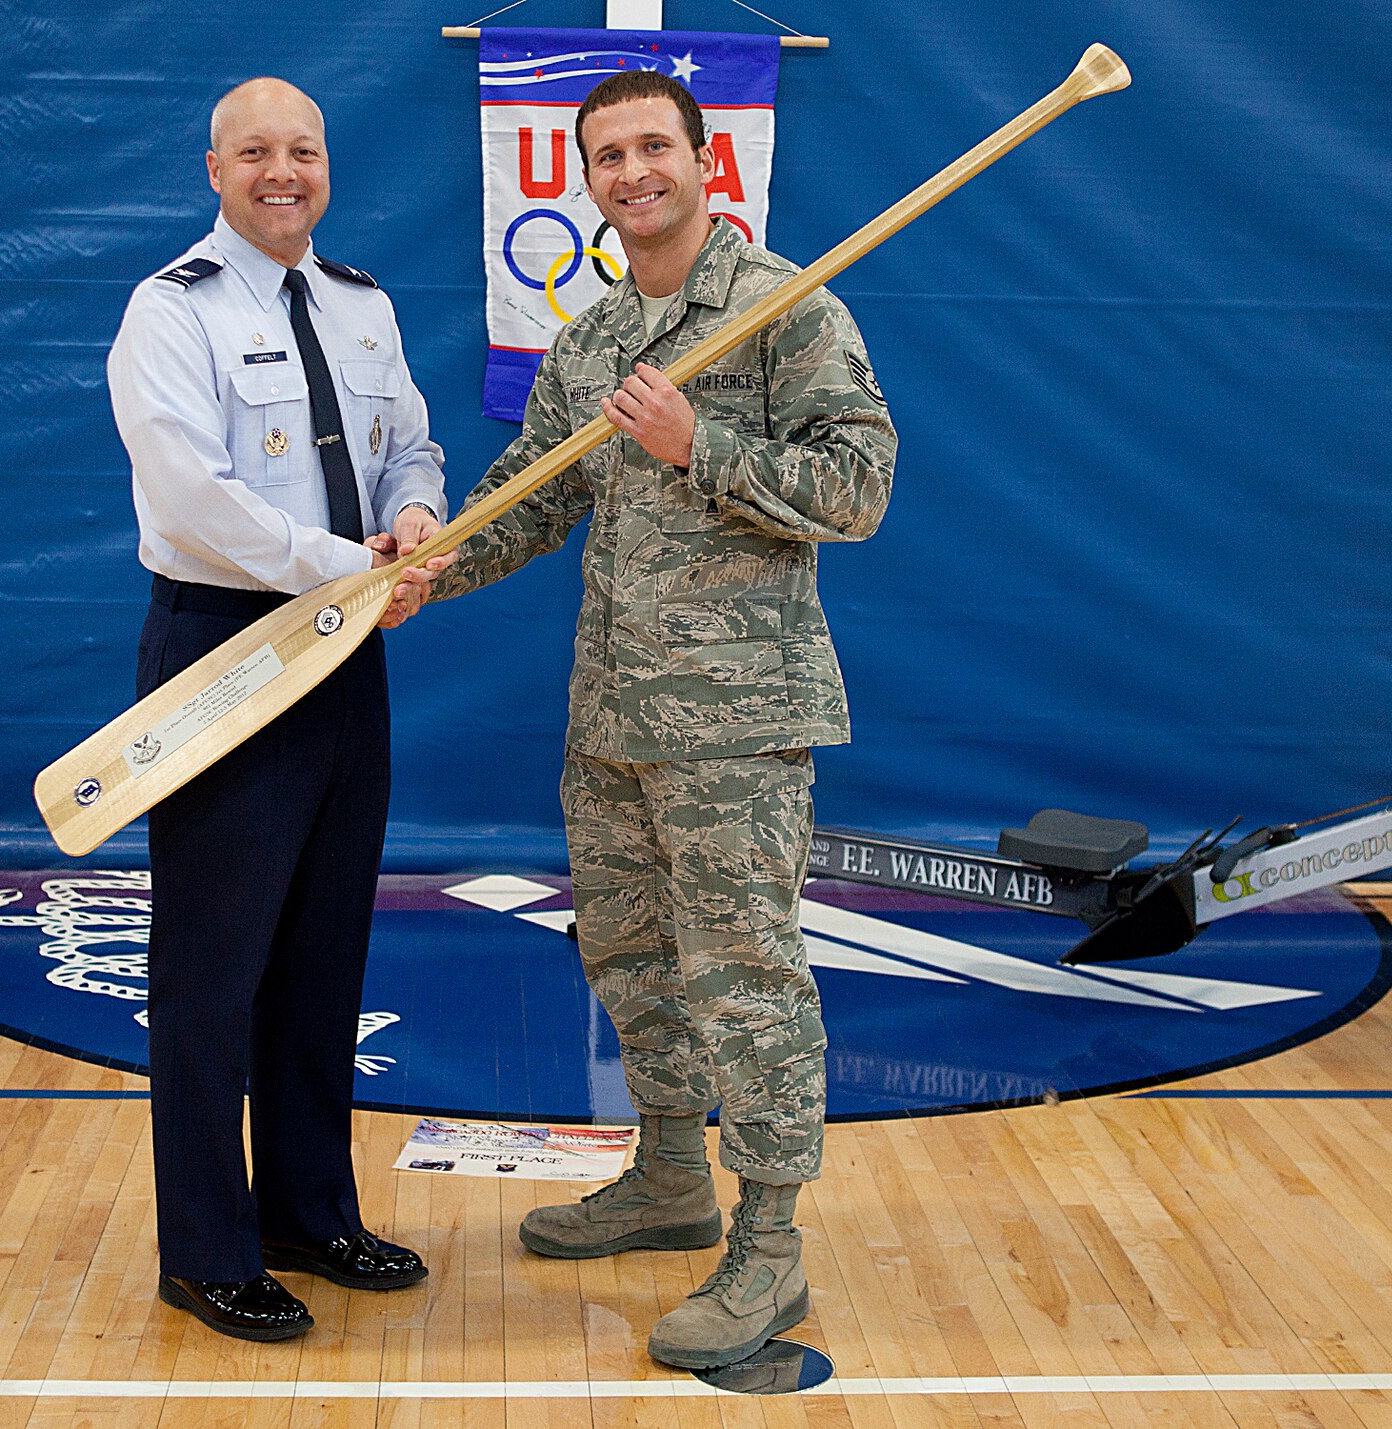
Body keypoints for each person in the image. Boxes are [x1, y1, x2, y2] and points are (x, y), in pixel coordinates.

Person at [428, 70, 896, 1368]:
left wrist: (706, 447)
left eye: (654, 147)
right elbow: (524, 499)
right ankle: (671, 1177)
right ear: (586, 180)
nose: (632, 171)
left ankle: (770, 1245)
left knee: (745, 980)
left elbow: (859, 487)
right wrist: (424, 567)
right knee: (632, 961)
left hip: (738, 722)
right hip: (614, 715)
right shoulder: (586, 343)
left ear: (707, 162)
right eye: (607, 155)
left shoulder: (782, 310)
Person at [107, 76, 452, 1341]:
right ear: (214, 169)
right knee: (212, 966)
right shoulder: (169, 312)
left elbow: (406, 440)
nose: (281, 172)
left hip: (345, 642)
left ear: (325, 165)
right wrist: (346, 568)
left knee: (322, 952)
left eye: (301, 150)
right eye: (254, 152)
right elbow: (191, 498)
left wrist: (414, 515)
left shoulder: (361, 304)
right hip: (229, 648)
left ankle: (309, 1209)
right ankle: (205, 1248)